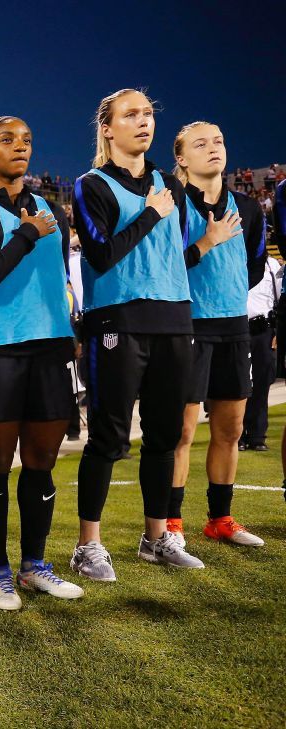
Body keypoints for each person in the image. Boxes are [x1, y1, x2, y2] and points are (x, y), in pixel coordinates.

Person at [0, 116, 84, 610]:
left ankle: (34, 566)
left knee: (42, 463)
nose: (21, 147)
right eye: (7, 140)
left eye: (28, 140)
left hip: (51, 347)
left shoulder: (51, 208)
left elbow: (60, 278)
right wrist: (25, 235)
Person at [69, 89, 198, 581]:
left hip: (172, 319)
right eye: (130, 114)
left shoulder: (172, 186)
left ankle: (156, 537)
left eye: (147, 113)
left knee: (166, 435)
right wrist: (150, 213)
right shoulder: (91, 185)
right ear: (107, 128)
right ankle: (89, 546)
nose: (142, 121)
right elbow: (101, 255)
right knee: (109, 437)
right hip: (117, 320)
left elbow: (171, 255)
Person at [170, 122, 266, 548]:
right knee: (182, 433)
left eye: (219, 141)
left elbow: (256, 266)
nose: (214, 149)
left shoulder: (247, 207)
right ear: (182, 158)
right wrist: (208, 244)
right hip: (187, 326)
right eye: (201, 143)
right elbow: (164, 266)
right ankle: (169, 525)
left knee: (230, 430)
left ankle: (219, 518)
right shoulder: (172, 204)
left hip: (234, 327)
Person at [242, 253, 279, 451]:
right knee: (238, 384)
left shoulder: (271, 264)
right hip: (238, 329)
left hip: (264, 331)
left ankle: (257, 436)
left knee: (262, 384)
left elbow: (279, 300)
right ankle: (238, 434)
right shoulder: (236, 259)